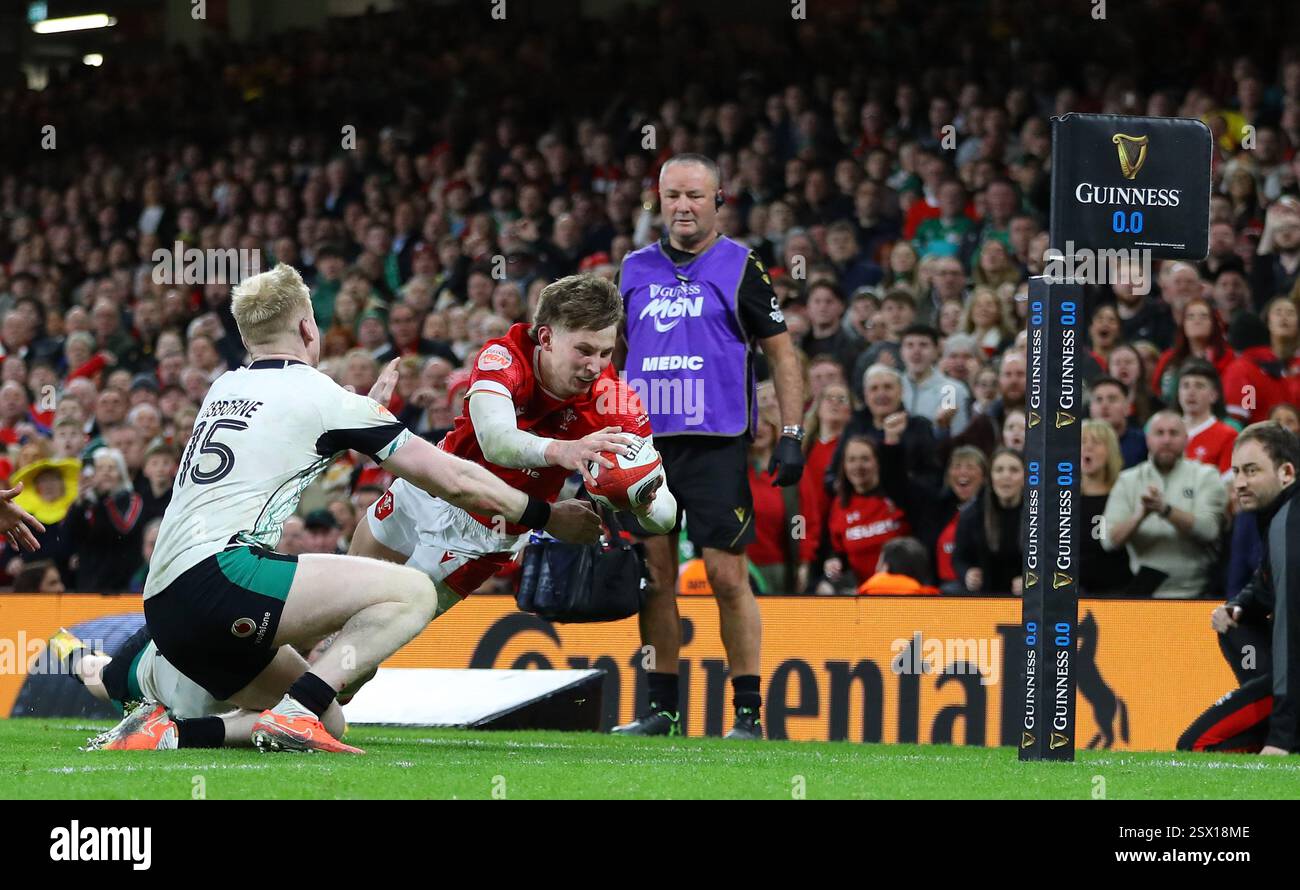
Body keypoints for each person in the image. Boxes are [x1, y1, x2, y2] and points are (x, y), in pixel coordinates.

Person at [90, 264, 600, 754]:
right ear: (309, 328)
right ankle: (293, 713)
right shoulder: (324, 397)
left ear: (247, 339)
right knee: (414, 592)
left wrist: (362, 414)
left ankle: (174, 731)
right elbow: (455, 479)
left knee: (331, 715)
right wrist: (548, 516)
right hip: (224, 580)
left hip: (163, 599)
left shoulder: (223, 387)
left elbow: (284, 436)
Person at [352, 273, 677, 619]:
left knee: (373, 628)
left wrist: (643, 502)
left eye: (605, 353)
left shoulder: (618, 404)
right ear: (547, 338)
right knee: (344, 594)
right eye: (583, 350)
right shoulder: (505, 356)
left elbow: (667, 514)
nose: (595, 367)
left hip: (483, 535)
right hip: (431, 482)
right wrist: (565, 450)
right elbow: (496, 441)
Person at [616, 154, 805, 740]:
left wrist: (793, 432)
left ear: (718, 199)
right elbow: (614, 356)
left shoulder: (741, 265)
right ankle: (663, 711)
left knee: (726, 576)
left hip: (717, 443)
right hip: (645, 444)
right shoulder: (632, 268)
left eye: (695, 196)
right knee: (655, 577)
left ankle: (748, 715)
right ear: (660, 199)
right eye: (672, 195)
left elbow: (781, 353)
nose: (682, 206)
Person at [1180, 422, 1300, 754]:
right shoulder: (1278, 517)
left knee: (1198, 744)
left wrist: (1281, 738)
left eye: (1251, 470)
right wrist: (1241, 605)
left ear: (1286, 472)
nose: (1240, 483)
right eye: (1235, 471)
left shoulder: (1288, 524)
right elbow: (1265, 584)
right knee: (1234, 624)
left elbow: (1291, 629)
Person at [1101, 411, 1228, 597]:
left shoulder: (1206, 475)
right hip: (1143, 593)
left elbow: (1209, 531)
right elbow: (1108, 541)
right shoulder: (1127, 480)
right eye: (1159, 433)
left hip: (1198, 593)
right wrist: (1140, 515)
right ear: (1147, 439)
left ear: (1186, 439)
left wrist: (1165, 510)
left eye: (1173, 433)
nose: (1166, 440)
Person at [818, 434, 910, 594]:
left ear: (877, 462)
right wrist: (833, 563)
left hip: (898, 588)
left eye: (865, 459)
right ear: (844, 465)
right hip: (858, 591)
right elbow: (838, 552)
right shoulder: (840, 505)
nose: (858, 466)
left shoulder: (896, 495)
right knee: (824, 589)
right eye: (851, 460)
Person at [952, 447, 1025, 594]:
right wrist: (967, 574)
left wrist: (1033, 580)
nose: (1006, 476)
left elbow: (1051, 560)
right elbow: (959, 558)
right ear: (990, 477)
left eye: (1014, 470)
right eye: (999, 470)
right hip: (984, 597)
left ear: (1026, 476)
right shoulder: (972, 514)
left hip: (1028, 601)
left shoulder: (1040, 514)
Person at [1079, 420, 1133, 596]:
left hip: (1115, 592)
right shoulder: (1061, 496)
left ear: (1110, 451)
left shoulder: (1124, 494)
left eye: (1096, 442)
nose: (1088, 448)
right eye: (1082, 442)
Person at [857, 537, 939, 595]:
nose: (876, 568)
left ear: (886, 567)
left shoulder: (855, 605)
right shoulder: (940, 607)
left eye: (879, 562)